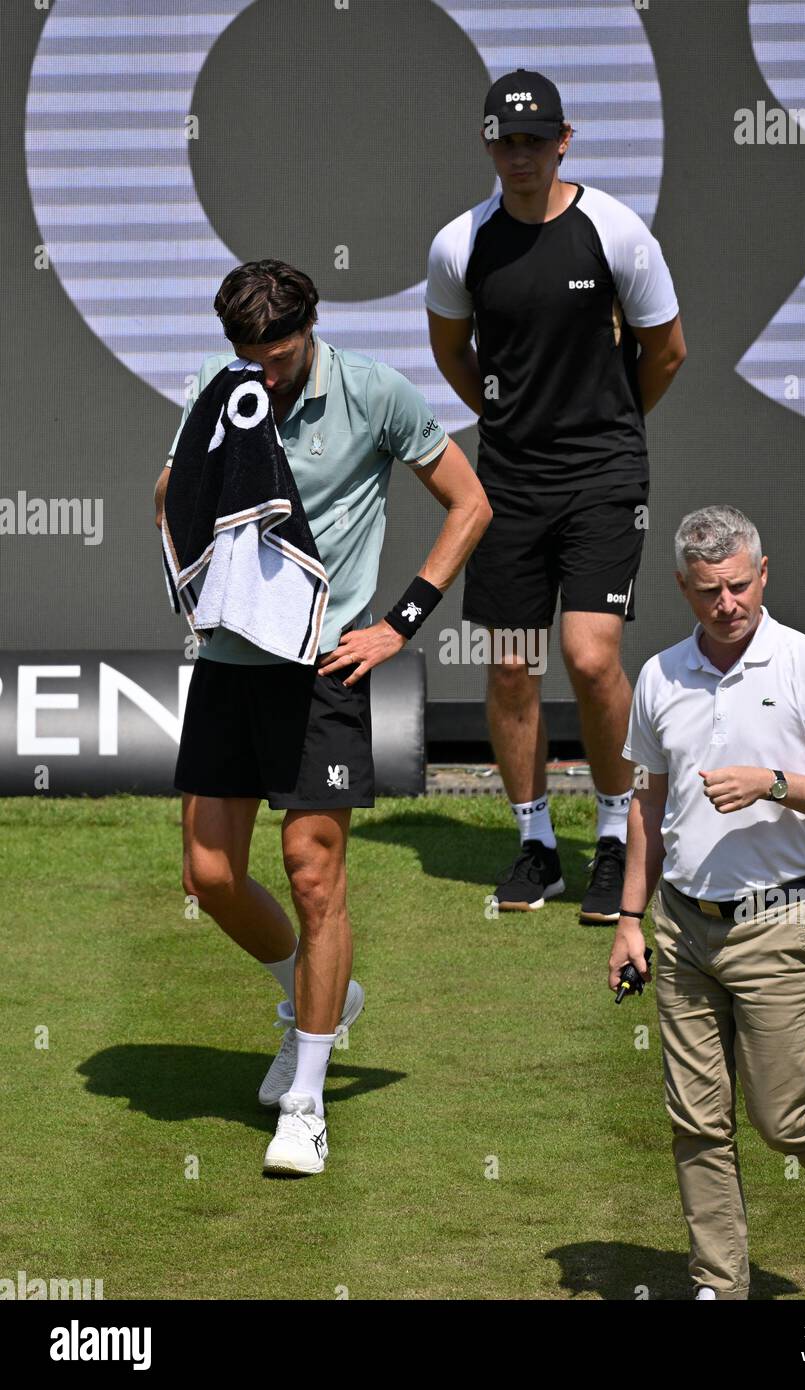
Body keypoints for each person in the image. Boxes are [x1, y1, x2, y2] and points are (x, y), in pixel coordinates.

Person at [154, 260, 491, 1176]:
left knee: (313, 875)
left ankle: (305, 1100)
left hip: (324, 665)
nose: (264, 371)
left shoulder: (375, 393)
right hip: (228, 663)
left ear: (312, 329)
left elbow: (471, 504)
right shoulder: (216, 391)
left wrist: (398, 624)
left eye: (280, 353)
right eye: (248, 355)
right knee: (210, 875)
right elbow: (169, 497)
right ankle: (319, 999)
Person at [609, 504, 805, 1300]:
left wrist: (775, 784)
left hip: (786, 923)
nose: (727, 603)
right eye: (709, 592)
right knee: (696, 1120)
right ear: (684, 588)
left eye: (739, 585)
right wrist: (629, 920)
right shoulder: (661, 676)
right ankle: (719, 1283)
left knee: (782, 1117)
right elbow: (646, 806)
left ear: (763, 574)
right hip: (680, 928)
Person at [426, 69, 686, 922]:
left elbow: (668, 349)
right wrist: (512, 423)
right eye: (506, 140)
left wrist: (608, 426)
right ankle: (535, 842)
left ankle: (615, 836)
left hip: (604, 478)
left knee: (589, 656)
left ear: (564, 140)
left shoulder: (616, 231)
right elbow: (453, 352)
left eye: (535, 140)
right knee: (508, 665)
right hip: (507, 482)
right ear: (487, 145)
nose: (520, 155)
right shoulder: (460, 244)